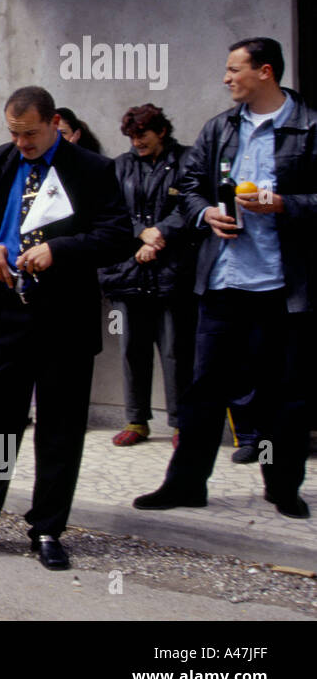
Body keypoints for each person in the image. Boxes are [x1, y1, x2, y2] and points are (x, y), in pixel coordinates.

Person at [0, 86, 128, 570]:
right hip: (4, 313)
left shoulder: (91, 169)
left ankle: (47, 530)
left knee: (60, 428)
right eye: (15, 133)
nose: (22, 143)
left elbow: (117, 234)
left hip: (65, 320)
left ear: (55, 122)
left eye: (31, 133)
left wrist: (61, 250)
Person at [135, 37, 316, 520]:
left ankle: (281, 487)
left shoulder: (309, 127)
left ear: (266, 72)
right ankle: (186, 484)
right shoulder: (220, 129)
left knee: (283, 398)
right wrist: (206, 214)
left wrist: (285, 205)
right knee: (204, 392)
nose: (226, 78)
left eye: (235, 69)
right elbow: (188, 187)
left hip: (283, 289)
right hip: (222, 284)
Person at [98, 105, 197, 447]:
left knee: (176, 351)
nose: (136, 142)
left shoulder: (187, 160)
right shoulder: (120, 166)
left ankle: (182, 423)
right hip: (130, 272)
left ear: (161, 131)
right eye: (131, 137)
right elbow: (111, 213)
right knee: (132, 349)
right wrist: (142, 233)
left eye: (143, 135)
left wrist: (159, 235)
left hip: (173, 272)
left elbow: (190, 207)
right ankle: (136, 420)